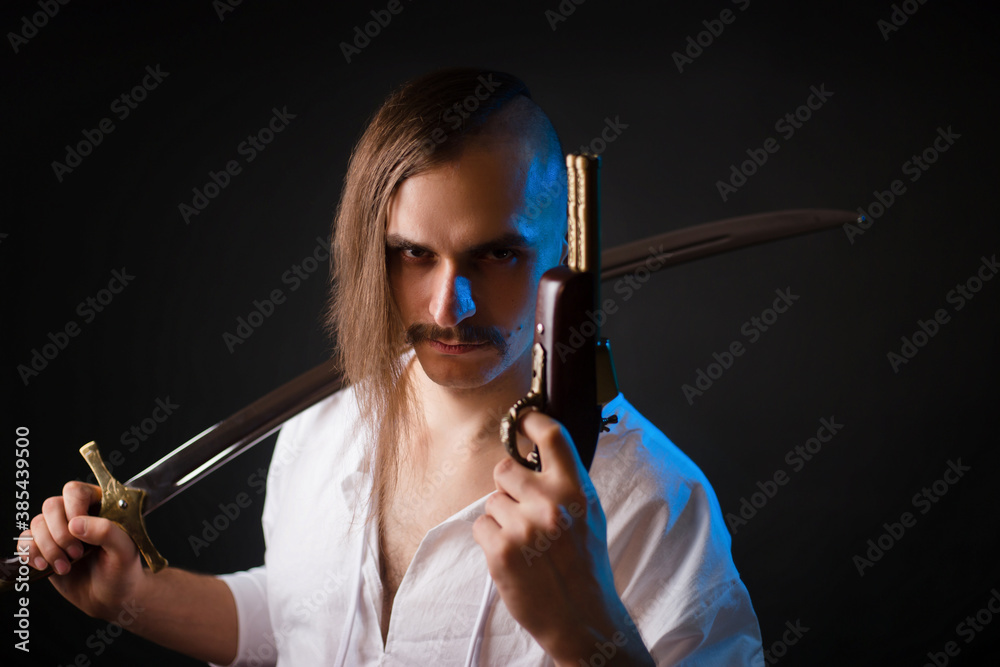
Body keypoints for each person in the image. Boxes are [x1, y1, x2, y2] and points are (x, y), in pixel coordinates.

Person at [23, 68, 765, 666]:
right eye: (415, 254)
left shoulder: (655, 500)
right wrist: (132, 595)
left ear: (561, 250)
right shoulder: (319, 428)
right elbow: (298, 618)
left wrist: (588, 638)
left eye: (496, 253)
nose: (450, 306)